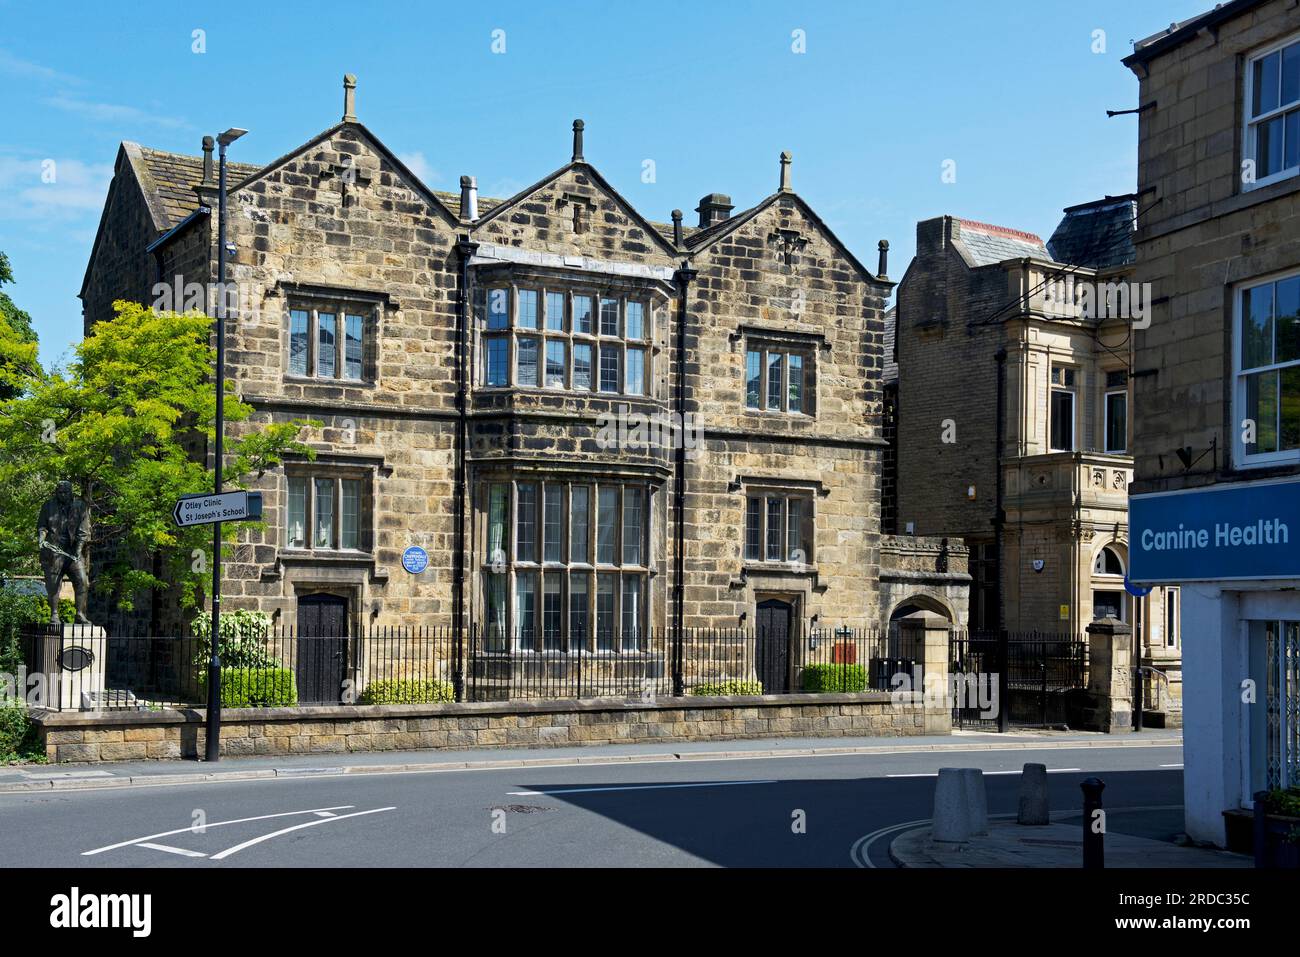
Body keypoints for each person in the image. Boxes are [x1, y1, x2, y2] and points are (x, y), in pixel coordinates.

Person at [37, 481, 91, 626]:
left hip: (73, 550)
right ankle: (54, 614)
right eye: (60, 492)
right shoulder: (48, 506)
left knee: (82, 581)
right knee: (53, 583)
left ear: (71, 492)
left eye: (65, 492)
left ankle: (79, 614)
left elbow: (83, 532)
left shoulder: (80, 506)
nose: (62, 495)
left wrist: (78, 551)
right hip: (54, 550)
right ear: (56, 493)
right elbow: (42, 526)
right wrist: (41, 538)